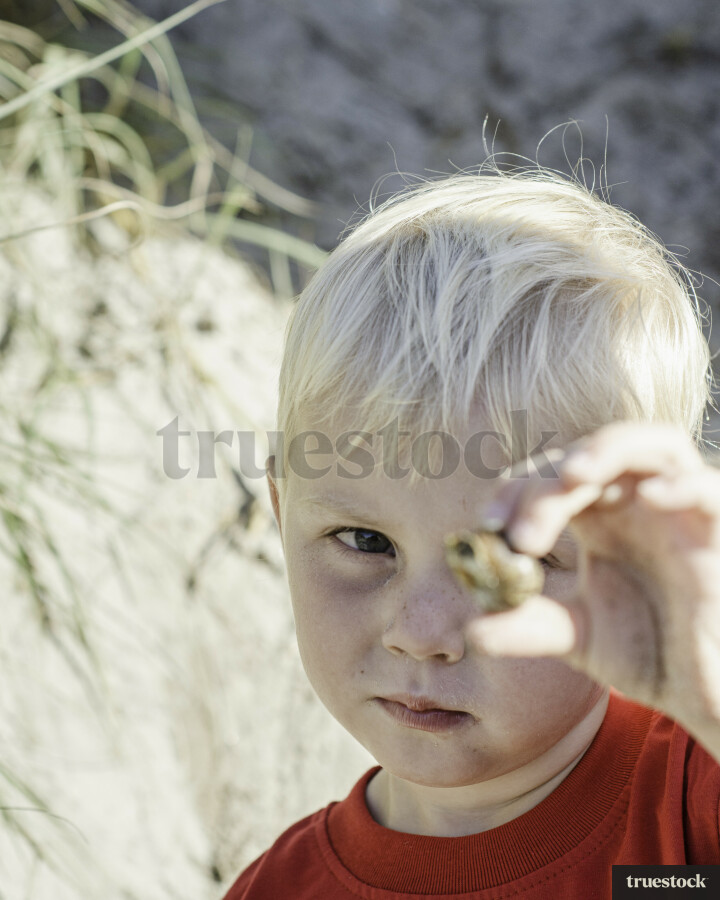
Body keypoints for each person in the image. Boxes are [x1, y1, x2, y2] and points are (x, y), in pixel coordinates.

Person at [222, 166, 720, 899]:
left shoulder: (688, 795)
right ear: (281, 504)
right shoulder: (279, 889)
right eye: (365, 541)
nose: (422, 633)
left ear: (637, 561)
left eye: (500, 563)